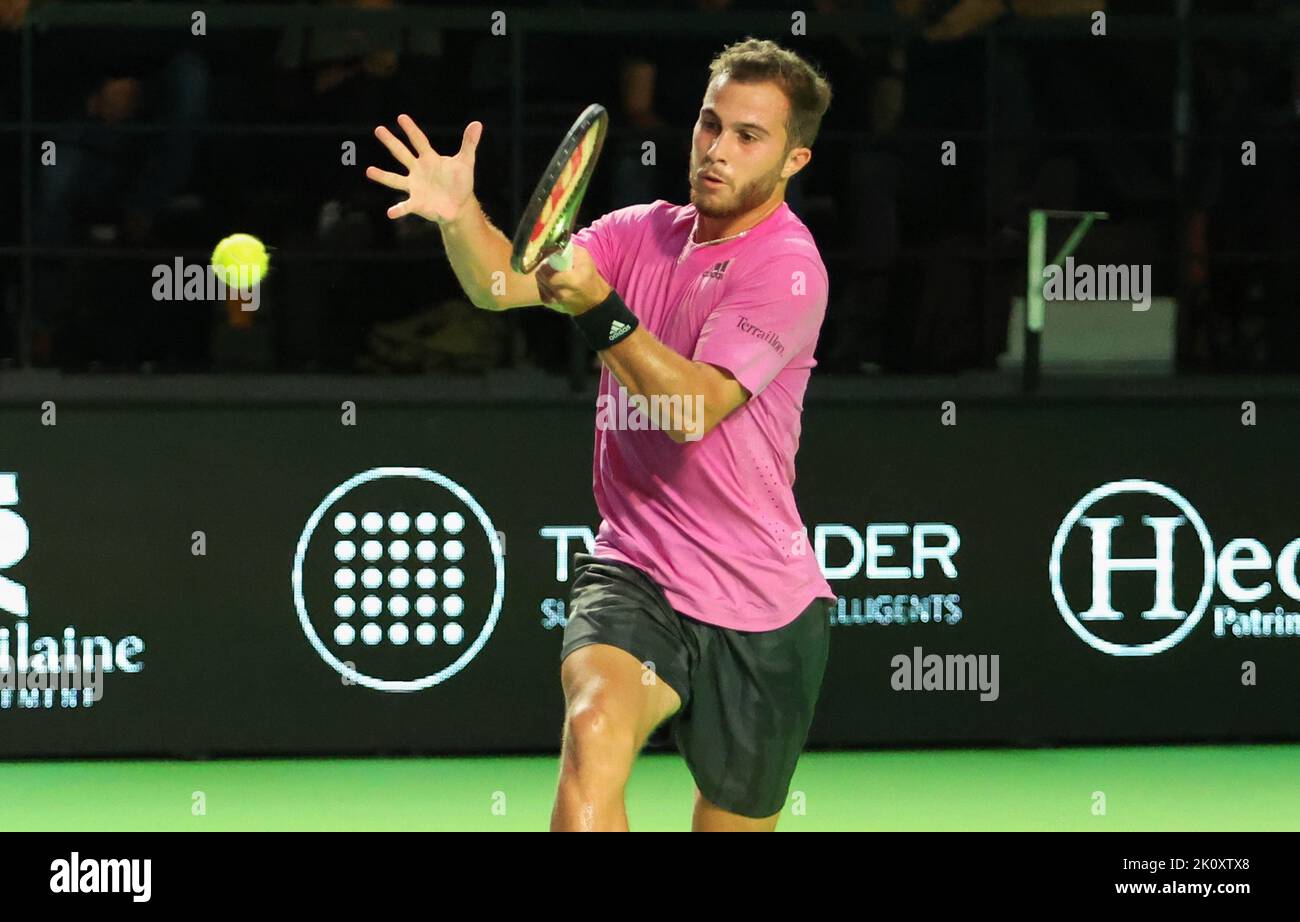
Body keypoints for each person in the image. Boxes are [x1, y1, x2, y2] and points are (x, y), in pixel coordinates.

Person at [367, 37, 836, 832]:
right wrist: (459, 217)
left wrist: (599, 308)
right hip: (636, 569)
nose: (716, 151)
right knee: (591, 735)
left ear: (795, 161)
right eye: (708, 124)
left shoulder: (790, 270)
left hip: (763, 605)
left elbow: (691, 411)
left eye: (747, 137)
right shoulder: (635, 232)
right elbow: (498, 284)